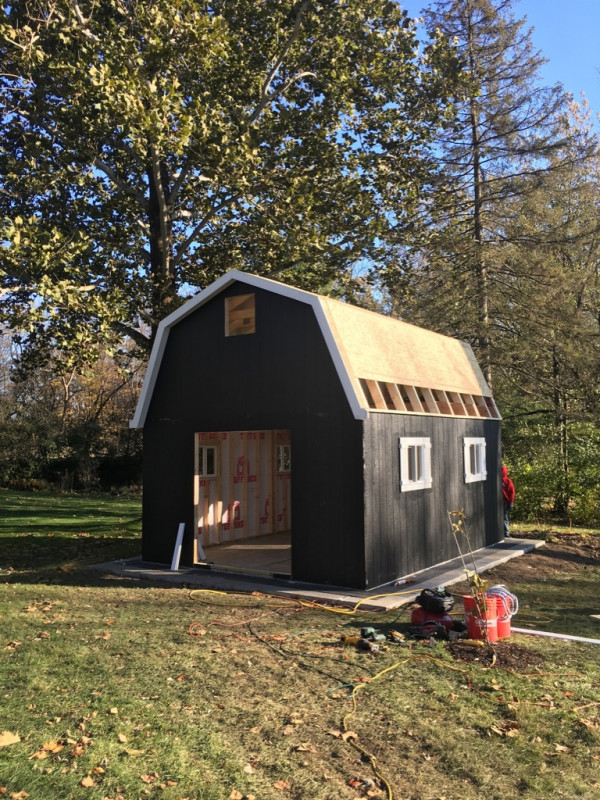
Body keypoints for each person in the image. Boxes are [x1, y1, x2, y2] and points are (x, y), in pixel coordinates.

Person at [502, 465, 515, 538]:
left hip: (504, 502)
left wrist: (511, 502)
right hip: (498, 502)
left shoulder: (507, 481)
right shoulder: (495, 480)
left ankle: (506, 532)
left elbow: (511, 492)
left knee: (504, 517)